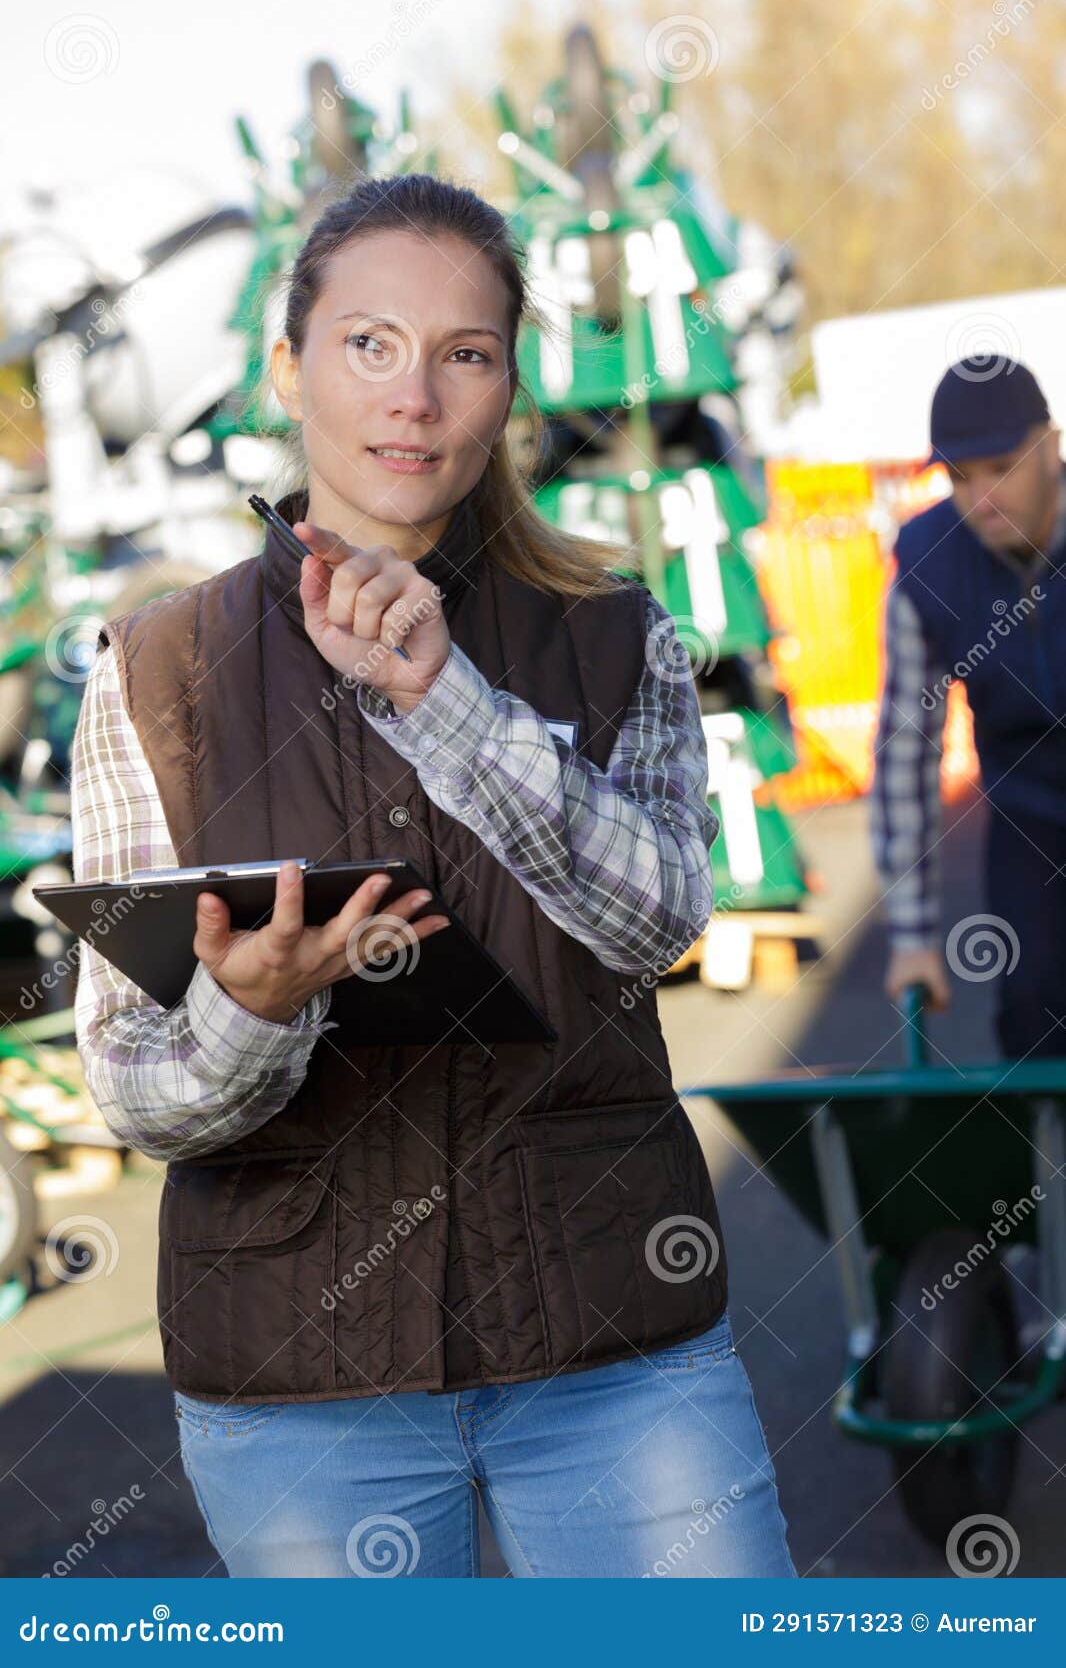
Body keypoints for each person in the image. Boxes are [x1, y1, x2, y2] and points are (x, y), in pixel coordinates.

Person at [71, 174, 795, 1579]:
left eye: (462, 354)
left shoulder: (613, 631)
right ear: (287, 369)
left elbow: (657, 920)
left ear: (506, 386)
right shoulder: (155, 672)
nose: (414, 396)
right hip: (298, 1372)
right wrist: (252, 1009)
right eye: (368, 344)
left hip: (610, 1343)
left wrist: (450, 699)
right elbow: (137, 1086)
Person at [871, 355, 1066, 1059]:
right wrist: (914, 937)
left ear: (1050, 448)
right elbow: (904, 750)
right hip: (1029, 810)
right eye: (961, 476)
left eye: (1004, 467)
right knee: (1031, 1005)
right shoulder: (927, 566)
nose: (983, 497)